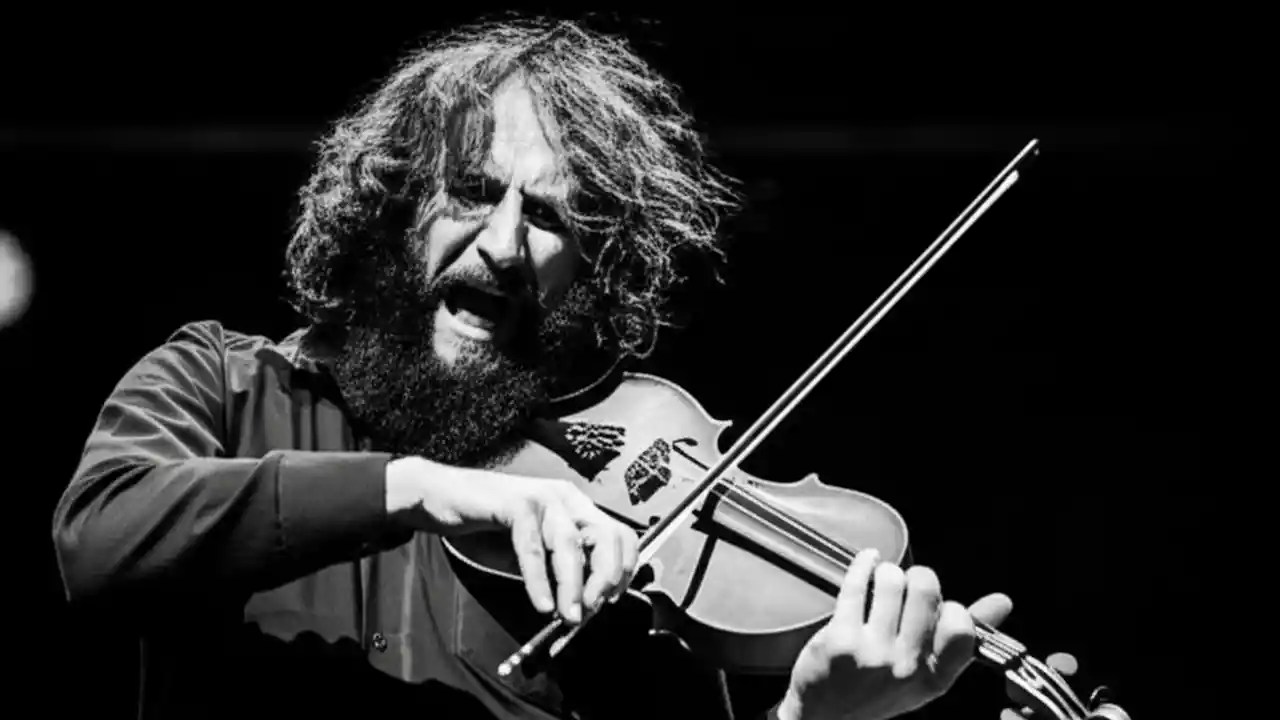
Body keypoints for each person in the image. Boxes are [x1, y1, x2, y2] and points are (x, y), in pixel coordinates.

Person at [51, 15, 1019, 720]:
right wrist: (425, 490)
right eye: (472, 192)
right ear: (393, 208)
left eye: (550, 217)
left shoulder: (612, 555)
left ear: (591, 276)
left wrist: (811, 718)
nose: (506, 244)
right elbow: (100, 539)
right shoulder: (221, 385)